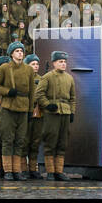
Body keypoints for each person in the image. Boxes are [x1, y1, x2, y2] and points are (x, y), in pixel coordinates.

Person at [0, 41, 34, 181]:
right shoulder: (5, 68)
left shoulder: (28, 70)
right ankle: (8, 170)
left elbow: (32, 92)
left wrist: (30, 111)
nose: (20, 53)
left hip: (23, 108)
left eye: (21, 51)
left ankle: (17, 170)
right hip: (8, 107)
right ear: (11, 54)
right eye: (17, 51)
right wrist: (7, 91)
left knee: (20, 140)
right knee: (7, 139)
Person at [34, 50, 76, 181]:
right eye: (60, 62)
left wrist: (72, 112)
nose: (63, 64)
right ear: (54, 63)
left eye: (64, 62)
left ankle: (59, 171)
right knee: (50, 141)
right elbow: (39, 94)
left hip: (65, 112)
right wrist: (47, 104)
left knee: (62, 142)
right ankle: (50, 171)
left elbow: (73, 97)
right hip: (52, 113)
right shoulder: (47, 77)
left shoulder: (69, 78)